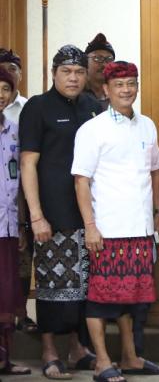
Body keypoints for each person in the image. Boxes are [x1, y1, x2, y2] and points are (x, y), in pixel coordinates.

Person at [72, 61, 159, 382]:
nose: (127, 90)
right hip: (107, 230)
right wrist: (90, 226)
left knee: (134, 299)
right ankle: (102, 361)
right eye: (119, 85)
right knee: (101, 298)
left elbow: (155, 170)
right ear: (105, 90)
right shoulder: (93, 129)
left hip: (140, 228)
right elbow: (81, 181)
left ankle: (130, 358)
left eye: (131, 83)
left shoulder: (147, 126)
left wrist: (157, 214)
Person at [20, 45, 99, 379]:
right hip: (52, 214)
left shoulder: (94, 107)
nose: (73, 77)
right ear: (54, 73)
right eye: (66, 71)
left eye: (79, 71)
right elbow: (28, 163)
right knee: (53, 285)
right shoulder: (38, 107)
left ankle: (78, 347)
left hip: (90, 214)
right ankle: (50, 350)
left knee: (84, 285)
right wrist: (36, 216)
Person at [0, 48, 36, 334]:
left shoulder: (19, 122)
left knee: (14, 275)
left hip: (13, 213)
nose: (2, 92)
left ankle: (20, 316)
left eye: (6, 88)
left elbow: (23, 169)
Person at [84, 33, 115, 111]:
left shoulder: (117, 93)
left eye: (109, 59)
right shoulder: (76, 93)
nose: (104, 64)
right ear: (85, 62)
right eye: (97, 58)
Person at [0, 48, 27, 125]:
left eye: (12, 69)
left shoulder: (29, 108)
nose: (7, 74)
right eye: (2, 69)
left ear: (20, 75)